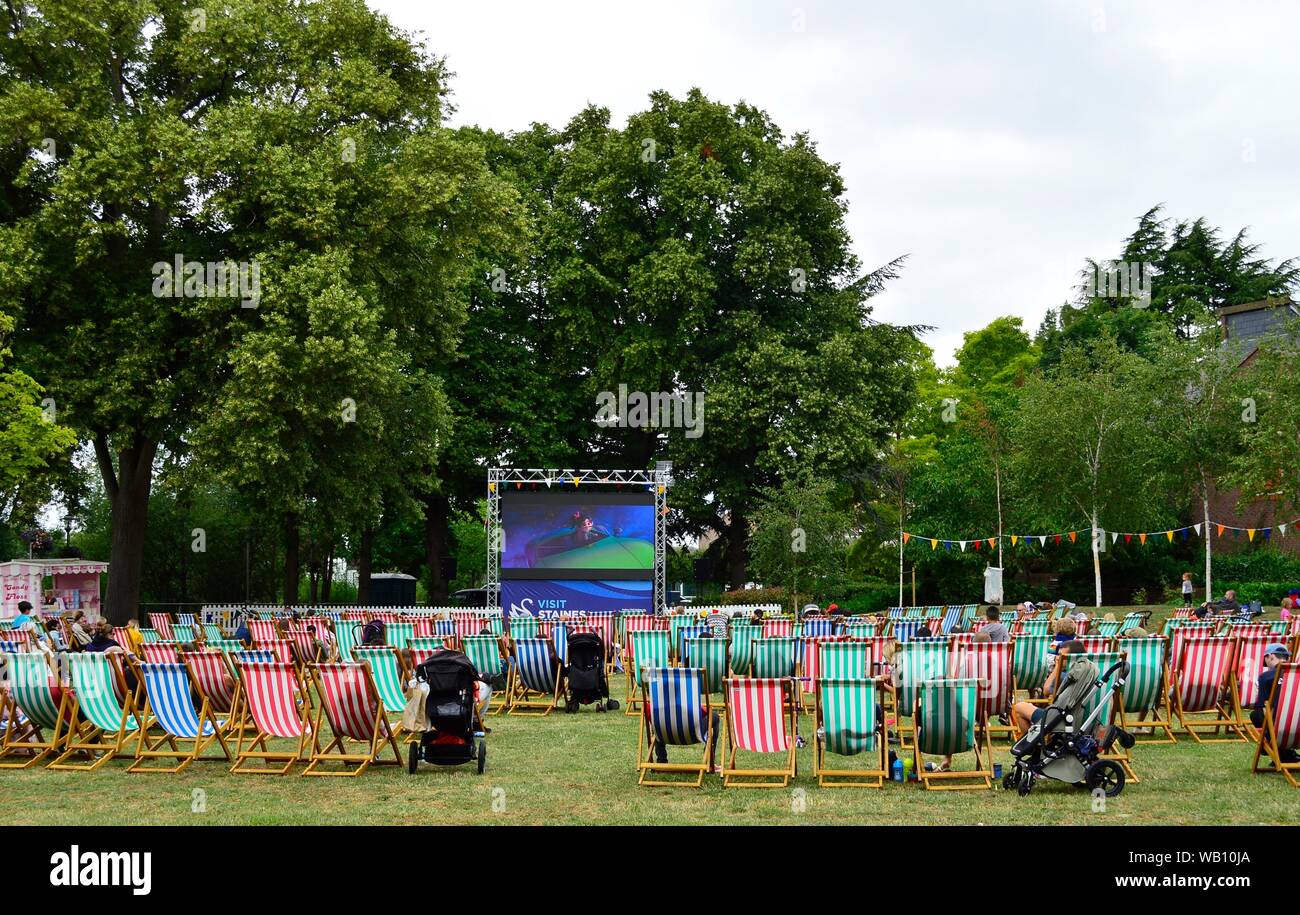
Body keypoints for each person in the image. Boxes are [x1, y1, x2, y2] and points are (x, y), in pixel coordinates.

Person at [1012, 640, 1096, 737]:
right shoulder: (1092, 674)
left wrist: (1057, 667)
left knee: (1019, 707)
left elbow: (1046, 690)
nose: (1057, 657)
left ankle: (1032, 746)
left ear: (1072, 658)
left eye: (1061, 656)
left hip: (1060, 721)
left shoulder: (1067, 675)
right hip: (1087, 722)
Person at [1250, 644, 1295, 763]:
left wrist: (1267, 738)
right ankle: (1287, 754)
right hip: (1298, 726)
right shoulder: (1296, 675)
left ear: (1270, 657)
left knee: (1256, 714)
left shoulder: (1266, 677)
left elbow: (1262, 708)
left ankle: (1273, 747)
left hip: (1281, 728)